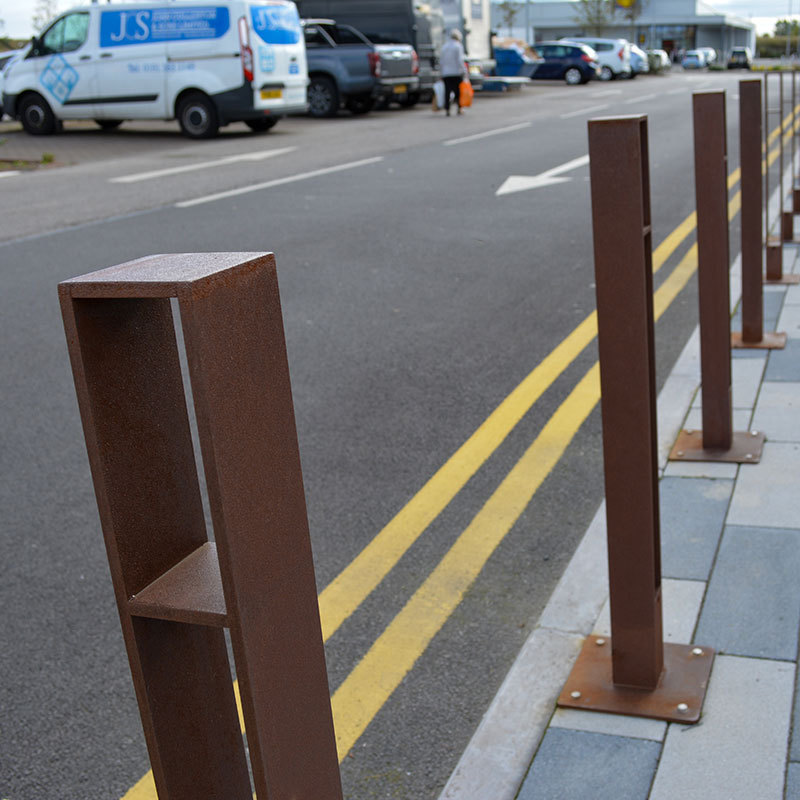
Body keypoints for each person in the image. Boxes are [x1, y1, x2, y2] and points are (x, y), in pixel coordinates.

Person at [440, 29, 467, 116]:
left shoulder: (444, 47)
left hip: (446, 73)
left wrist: (441, 72)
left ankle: (447, 109)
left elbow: (441, 61)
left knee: (447, 91)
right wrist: (464, 71)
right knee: (457, 91)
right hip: (456, 72)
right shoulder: (458, 46)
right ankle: (459, 108)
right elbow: (460, 60)